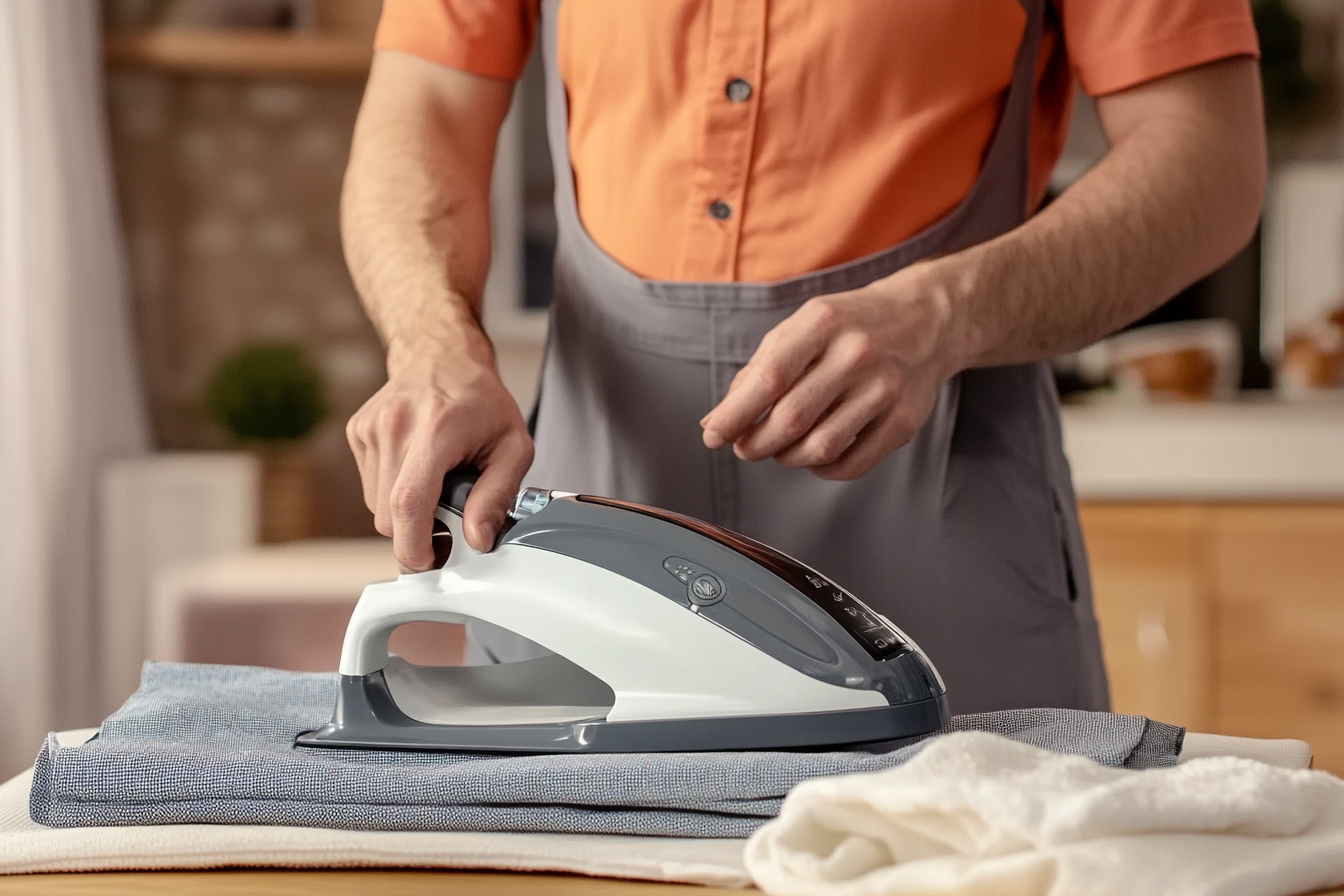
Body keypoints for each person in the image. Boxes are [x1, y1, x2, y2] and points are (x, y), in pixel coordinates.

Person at [341, 0, 1265, 712]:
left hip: (935, 506)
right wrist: (432, 340)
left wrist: (948, 310)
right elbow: (423, 104)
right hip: (584, 521)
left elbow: (1210, 155)